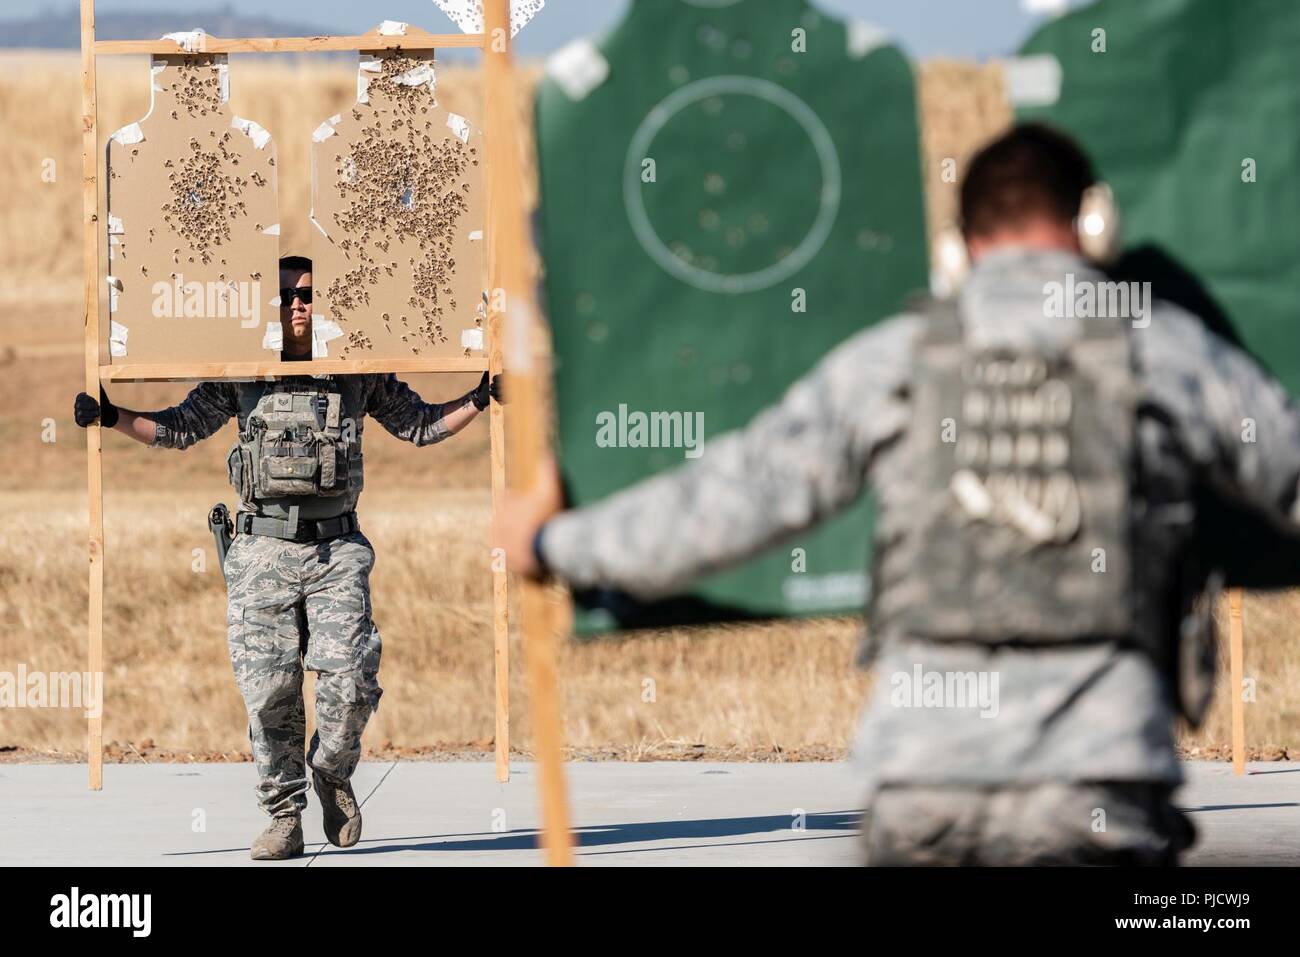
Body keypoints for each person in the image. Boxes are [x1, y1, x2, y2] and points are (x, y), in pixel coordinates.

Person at [497, 124, 1300, 865]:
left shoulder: (898, 361)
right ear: (1096, 226)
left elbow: (735, 498)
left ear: (957, 249)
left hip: (926, 782)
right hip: (1100, 784)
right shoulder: (1162, 349)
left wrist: (551, 541)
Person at [75, 254, 502, 860]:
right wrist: (111, 414)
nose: (298, 305)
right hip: (261, 553)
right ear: (265, 306)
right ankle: (283, 815)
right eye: (285, 296)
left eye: (308, 295)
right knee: (269, 691)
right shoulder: (243, 368)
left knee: (351, 681)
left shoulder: (356, 368)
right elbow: (178, 429)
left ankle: (332, 771)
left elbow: (421, 426)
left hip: (337, 549)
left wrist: (483, 397)